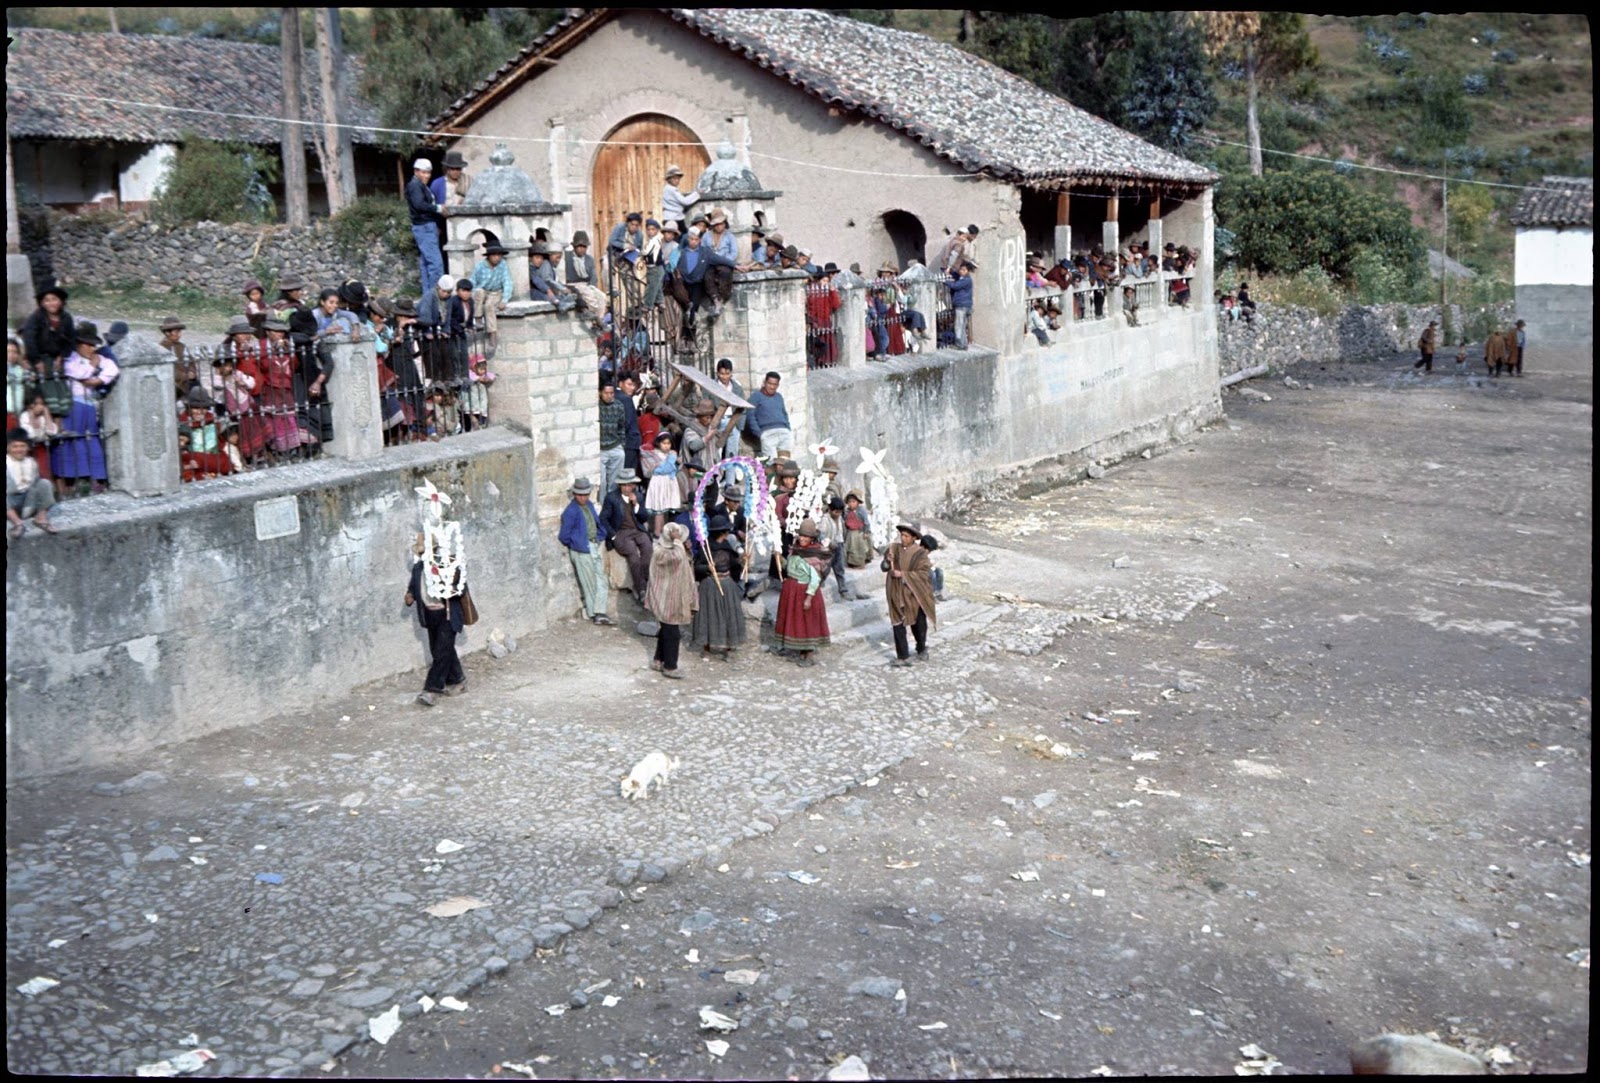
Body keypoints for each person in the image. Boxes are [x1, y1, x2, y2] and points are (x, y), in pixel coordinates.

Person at [405, 533, 468, 707]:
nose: (424, 554)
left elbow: (460, 588)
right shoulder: (418, 569)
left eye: (426, 551)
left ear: (434, 550)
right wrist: (410, 595)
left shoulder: (447, 565)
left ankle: (432, 690)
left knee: (441, 651)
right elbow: (413, 587)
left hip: (447, 614)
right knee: (441, 650)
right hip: (429, 615)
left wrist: (448, 588)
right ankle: (458, 680)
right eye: (421, 552)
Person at [54, 321, 115, 495]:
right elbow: (77, 373)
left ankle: (94, 478)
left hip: (88, 404)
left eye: (91, 345)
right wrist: (92, 367)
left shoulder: (98, 357)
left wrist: (98, 380)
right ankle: (70, 481)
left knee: (90, 439)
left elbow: (112, 368)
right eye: (84, 344)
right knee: (71, 438)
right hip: (72, 402)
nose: (88, 348)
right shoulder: (70, 359)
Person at [773, 519, 831, 666]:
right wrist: (780, 559)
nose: (802, 539)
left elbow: (815, 578)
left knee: (807, 622)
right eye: (801, 535)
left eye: (806, 536)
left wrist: (809, 598)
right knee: (796, 621)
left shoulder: (814, 554)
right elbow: (790, 568)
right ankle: (800, 651)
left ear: (812, 538)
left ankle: (809, 655)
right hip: (792, 592)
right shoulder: (795, 550)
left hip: (805, 592)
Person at [689, 514, 746, 661]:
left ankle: (728, 648)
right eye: (726, 531)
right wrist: (707, 567)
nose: (727, 534)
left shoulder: (727, 546)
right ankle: (707, 646)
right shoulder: (706, 547)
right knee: (709, 616)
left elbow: (733, 565)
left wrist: (742, 561)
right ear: (722, 532)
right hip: (710, 585)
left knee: (729, 616)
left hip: (726, 585)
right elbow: (696, 567)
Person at [559, 476, 614, 624]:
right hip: (581, 549)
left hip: (593, 545)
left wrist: (600, 536)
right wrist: (576, 544)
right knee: (589, 582)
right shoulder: (570, 511)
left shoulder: (589, 505)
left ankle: (600, 611)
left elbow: (595, 523)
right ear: (575, 494)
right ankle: (595, 613)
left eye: (585, 494)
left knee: (601, 579)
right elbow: (564, 535)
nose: (583, 497)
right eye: (580, 494)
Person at [645, 521, 696, 679]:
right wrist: (678, 543)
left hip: (672, 597)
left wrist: (684, 547)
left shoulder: (675, 549)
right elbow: (678, 559)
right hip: (665, 598)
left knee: (666, 630)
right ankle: (670, 666)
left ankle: (658, 659)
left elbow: (685, 561)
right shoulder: (661, 552)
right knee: (672, 632)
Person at [883, 519, 936, 667]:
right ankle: (903, 655)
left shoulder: (920, 554)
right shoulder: (893, 548)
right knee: (897, 623)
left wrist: (903, 575)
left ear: (914, 538)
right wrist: (887, 561)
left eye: (907, 536)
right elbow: (883, 567)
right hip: (895, 592)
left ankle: (921, 648)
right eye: (902, 535)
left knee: (917, 623)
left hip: (913, 594)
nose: (903, 538)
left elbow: (923, 573)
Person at [602, 469, 654, 601]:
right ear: (620, 485)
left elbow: (643, 518)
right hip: (621, 532)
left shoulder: (638, 496)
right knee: (633, 555)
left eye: (630, 485)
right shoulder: (612, 498)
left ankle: (648, 583)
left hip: (637, 530)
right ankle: (641, 589)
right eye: (624, 485)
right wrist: (613, 536)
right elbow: (603, 518)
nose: (627, 488)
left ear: (634, 485)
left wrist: (636, 504)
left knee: (647, 548)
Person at [406, 159, 446, 324]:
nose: (426, 175)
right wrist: (438, 208)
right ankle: (435, 298)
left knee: (426, 265)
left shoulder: (421, 186)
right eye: (423, 172)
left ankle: (427, 299)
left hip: (425, 226)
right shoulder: (415, 185)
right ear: (416, 172)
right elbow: (419, 204)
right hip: (423, 226)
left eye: (428, 172)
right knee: (436, 265)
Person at [7, 427, 57, 537]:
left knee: (44, 483)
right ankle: (17, 524)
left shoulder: (31, 462)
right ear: (8, 448)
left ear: (28, 448)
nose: (19, 450)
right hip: (10, 505)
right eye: (15, 446)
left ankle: (41, 518)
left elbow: (35, 485)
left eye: (22, 446)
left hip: (27, 503)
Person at [470, 242, 512, 354]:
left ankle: (492, 336)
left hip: (496, 292)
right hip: (483, 290)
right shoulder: (480, 266)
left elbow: (507, 282)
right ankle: (478, 319)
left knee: (489, 306)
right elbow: (472, 281)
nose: (497, 258)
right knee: (479, 292)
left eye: (499, 255)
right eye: (494, 255)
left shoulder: (503, 265)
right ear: (489, 256)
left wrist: (505, 299)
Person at [745, 371, 793, 462]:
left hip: (784, 433)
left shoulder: (779, 396)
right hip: (768, 434)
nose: (772, 387)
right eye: (769, 383)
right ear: (765, 382)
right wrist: (759, 433)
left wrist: (788, 428)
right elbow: (750, 415)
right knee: (772, 464)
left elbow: (784, 413)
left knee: (785, 463)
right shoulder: (756, 397)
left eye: (775, 384)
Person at [644, 432, 682, 534]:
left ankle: (663, 531)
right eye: (664, 443)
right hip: (659, 482)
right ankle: (657, 532)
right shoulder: (655, 455)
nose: (666, 446)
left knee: (665, 508)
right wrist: (672, 459)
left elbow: (675, 469)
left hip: (668, 483)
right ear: (658, 443)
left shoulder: (670, 454)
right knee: (659, 508)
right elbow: (663, 469)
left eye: (668, 443)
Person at [819, 495, 854, 600]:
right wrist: (829, 542)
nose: (838, 514)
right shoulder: (825, 519)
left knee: (839, 569)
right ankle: (818, 585)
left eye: (840, 512)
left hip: (838, 545)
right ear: (830, 510)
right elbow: (821, 534)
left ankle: (843, 590)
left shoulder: (840, 519)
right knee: (825, 569)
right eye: (836, 512)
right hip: (828, 548)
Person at [597, 382, 627, 494]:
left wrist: (622, 445)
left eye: (611, 393)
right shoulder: (596, 406)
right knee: (601, 483)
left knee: (614, 482)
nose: (609, 396)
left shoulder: (618, 406)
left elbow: (621, 427)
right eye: (606, 393)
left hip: (615, 446)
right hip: (600, 449)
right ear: (600, 392)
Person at [662, 164, 701, 233]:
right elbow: (685, 201)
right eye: (674, 178)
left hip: (674, 217)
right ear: (669, 179)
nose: (677, 180)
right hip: (673, 218)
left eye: (678, 178)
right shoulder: (671, 189)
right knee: (683, 236)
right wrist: (697, 193)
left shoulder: (669, 189)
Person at [946, 259, 975, 349]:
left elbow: (955, 286)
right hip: (964, 305)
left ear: (968, 271)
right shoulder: (963, 278)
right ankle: (964, 344)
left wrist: (946, 280)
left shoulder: (966, 280)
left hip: (962, 306)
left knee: (959, 326)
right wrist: (949, 270)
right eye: (961, 269)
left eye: (964, 270)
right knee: (962, 326)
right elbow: (955, 274)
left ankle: (959, 344)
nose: (961, 271)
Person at [843, 489, 873, 568]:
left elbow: (866, 521)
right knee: (851, 548)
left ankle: (859, 563)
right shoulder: (846, 512)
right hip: (850, 533)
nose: (851, 504)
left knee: (859, 549)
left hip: (859, 533)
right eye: (849, 502)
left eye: (853, 502)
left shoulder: (862, 511)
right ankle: (851, 562)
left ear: (858, 502)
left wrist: (866, 532)